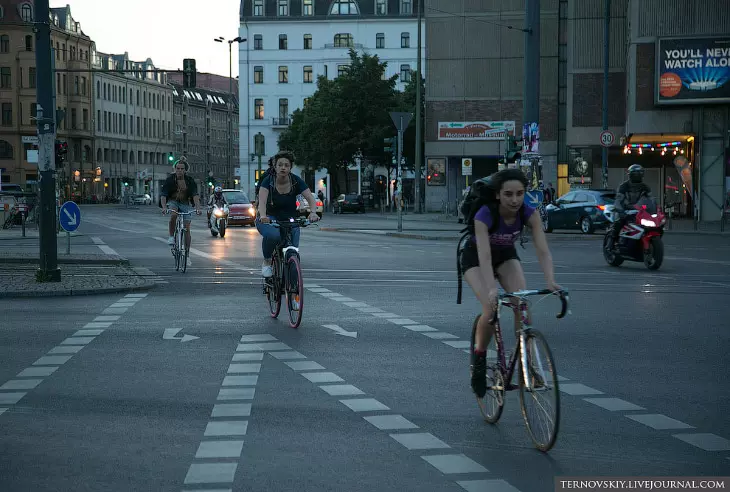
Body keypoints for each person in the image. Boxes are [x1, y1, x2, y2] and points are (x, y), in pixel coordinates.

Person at [459, 168, 561, 398]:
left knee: (521, 303)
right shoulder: (484, 214)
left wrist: (551, 280)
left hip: (505, 256)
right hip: (475, 257)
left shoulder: (529, 213)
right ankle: (480, 358)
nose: (515, 200)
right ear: (498, 195)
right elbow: (484, 256)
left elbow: (543, 251)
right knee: (490, 308)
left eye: (519, 193)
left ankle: (529, 365)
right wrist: (492, 289)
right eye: (508, 194)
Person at [256, 151, 320, 278]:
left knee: (293, 249)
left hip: (290, 218)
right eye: (280, 165)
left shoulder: (296, 181)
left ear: (290, 167)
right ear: (275, 166)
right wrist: (263, 216)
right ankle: (267, 261)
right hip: (269, 218)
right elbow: (262, 202)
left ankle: (291, 282)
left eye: (286, 165)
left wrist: (313, 213)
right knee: (273, 235)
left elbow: (310, 198)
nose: (283, 167)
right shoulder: (268, 181)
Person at [160, 156, 202, 250]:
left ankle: (187, 252)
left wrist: (198, 208)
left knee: (187, 228)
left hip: (185, 203)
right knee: (174, 215)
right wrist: (164, 207)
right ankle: (171, 237)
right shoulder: (170, 180)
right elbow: (163, 195)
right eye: (178, 168)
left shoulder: (190, 180)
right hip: (173, 202)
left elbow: (195, 195)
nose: (179, 170)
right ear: (175, 169)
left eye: (182, 169)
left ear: (185, 170)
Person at [610, 164, 653, 249]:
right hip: (624, 210)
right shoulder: (623, 186)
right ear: (630, 175)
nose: (637, 176)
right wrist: (620, 210)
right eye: (635, 174)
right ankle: (612, 242)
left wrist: (654, 209)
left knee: (651, 225)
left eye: (639, 174)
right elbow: (618, 200)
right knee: (619, 222)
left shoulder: (645, 187)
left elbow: (651, 200)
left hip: (638, 210)